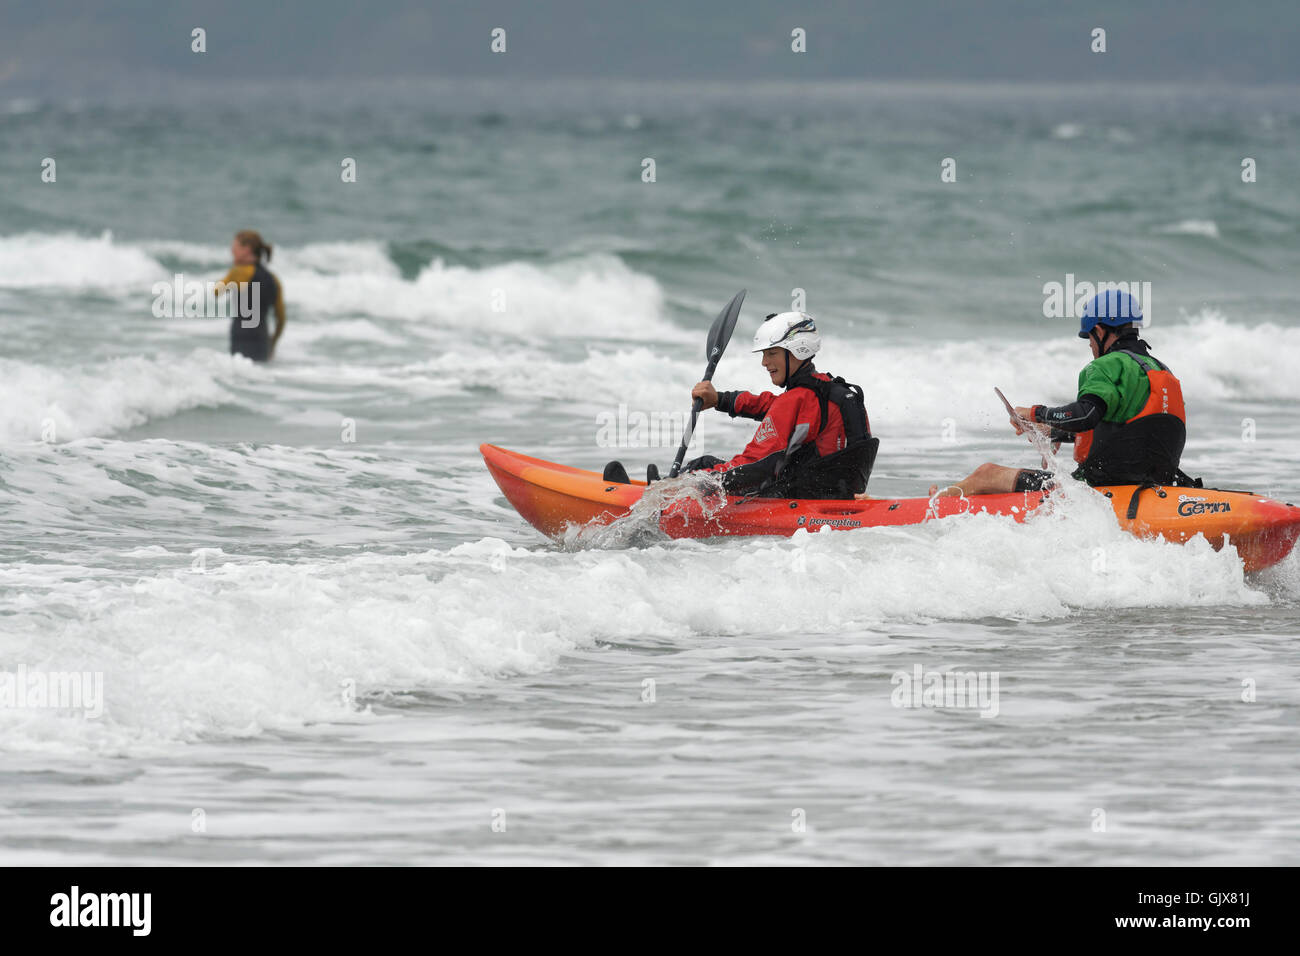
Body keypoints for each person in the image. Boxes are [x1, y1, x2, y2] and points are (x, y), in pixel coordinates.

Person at [930, 290, 1186, 497]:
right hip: (1155, 486)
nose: (1090, 346)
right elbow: (1128, 434)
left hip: (1101, 491)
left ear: (1099, 331)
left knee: (986, 474)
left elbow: (1086, 415)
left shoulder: (1106, 366)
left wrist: (1036, 414)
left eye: (1089, 338)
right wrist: (1053, 432)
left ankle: (934, 506)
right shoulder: (1160, 370)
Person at [670, 311, 876, 498]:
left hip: (793, 499)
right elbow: (769, 405)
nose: (764, 362)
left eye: (772, 353)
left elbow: (755, 466)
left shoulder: (796, 400)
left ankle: (665, 492)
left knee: (703, 464)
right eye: (763, 354)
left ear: (797, 350)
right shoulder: (833, 392)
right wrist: (720, 399)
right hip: (840, 496)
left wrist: (695, 482)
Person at [213, 230, 285, 361]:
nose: (232, 252)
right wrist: (272, 343)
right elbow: (281, 319)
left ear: (246, 250)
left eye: (235, 248)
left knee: (240, 379)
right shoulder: (274, 279)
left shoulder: (239, 272)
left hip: (241, 341)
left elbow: (217, 291)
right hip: (263, 342)